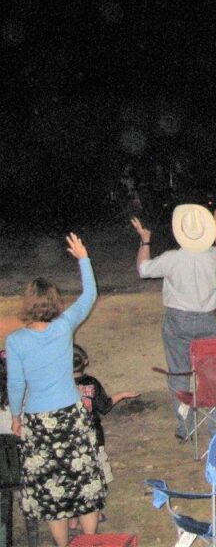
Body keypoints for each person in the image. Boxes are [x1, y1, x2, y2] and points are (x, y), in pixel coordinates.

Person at [4, 234, 106, 546]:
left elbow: (17, 384)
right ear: (55, 302)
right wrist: (83, 258)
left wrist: (17, 416)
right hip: (71, 416)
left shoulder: (16, 341)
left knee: (52, 488)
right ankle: (88, 541)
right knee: (84, 479)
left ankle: (64, 545)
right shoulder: (63, 326)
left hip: (39, 421)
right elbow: (89, 295)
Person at [133, 204, 216, 440]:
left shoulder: (172, 259)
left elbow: (143, 269)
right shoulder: (214, 257)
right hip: (208, 320)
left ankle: (185, 427)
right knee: (210, 375)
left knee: (179, 374)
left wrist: (145, 242)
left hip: (178, 320)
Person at [73, 345, 139, 486]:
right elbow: (104, 407)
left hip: (71, 435)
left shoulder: (59, 385)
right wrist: (122, 395)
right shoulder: (92, 383)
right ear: (86, 361)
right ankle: (103, 483)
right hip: (93, 434)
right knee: (99, 460)